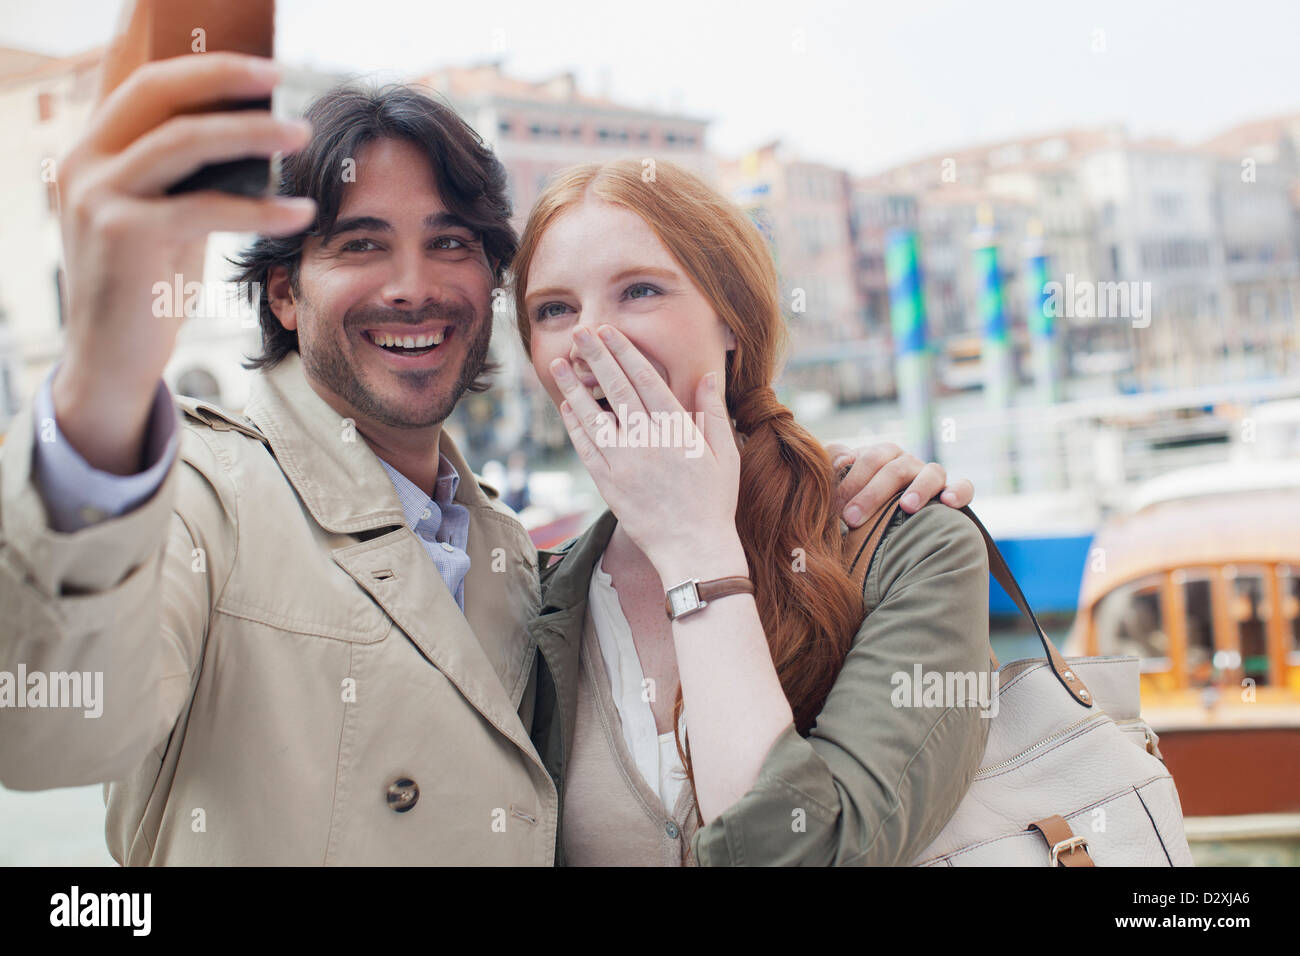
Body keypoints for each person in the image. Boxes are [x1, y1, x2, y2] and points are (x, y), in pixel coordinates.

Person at [0, 50, 972, 864]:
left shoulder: (521, 562)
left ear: (732, 318)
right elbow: (49, 731)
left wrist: (772, 501)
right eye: (360, 244)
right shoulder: (198, 495)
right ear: (286, 295)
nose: (412, 287)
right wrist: (99, 387)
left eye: (451, 241)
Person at [515, 160, 993, 865]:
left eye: (639, 290)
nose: (592, 339)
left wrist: (695, 550)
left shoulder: (911, 543)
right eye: (554, 309)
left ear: (732, 320)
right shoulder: (533, 596)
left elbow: (814, 852)